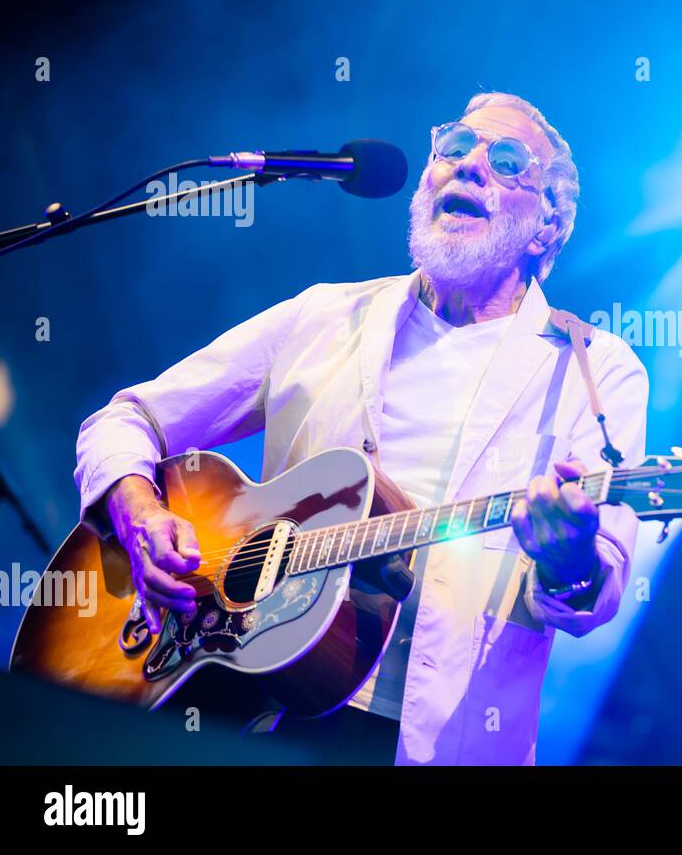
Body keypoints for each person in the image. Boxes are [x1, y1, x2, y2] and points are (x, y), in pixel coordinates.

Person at [74, 92, 649, 764]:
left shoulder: (594, 371)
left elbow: (596, 590)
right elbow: (126, 419)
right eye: (455, 148)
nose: (468, 168)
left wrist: (568, 555)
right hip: (254, 712)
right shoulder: (322, 317)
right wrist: (138, 509)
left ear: (548, 224)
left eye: (506, 161)